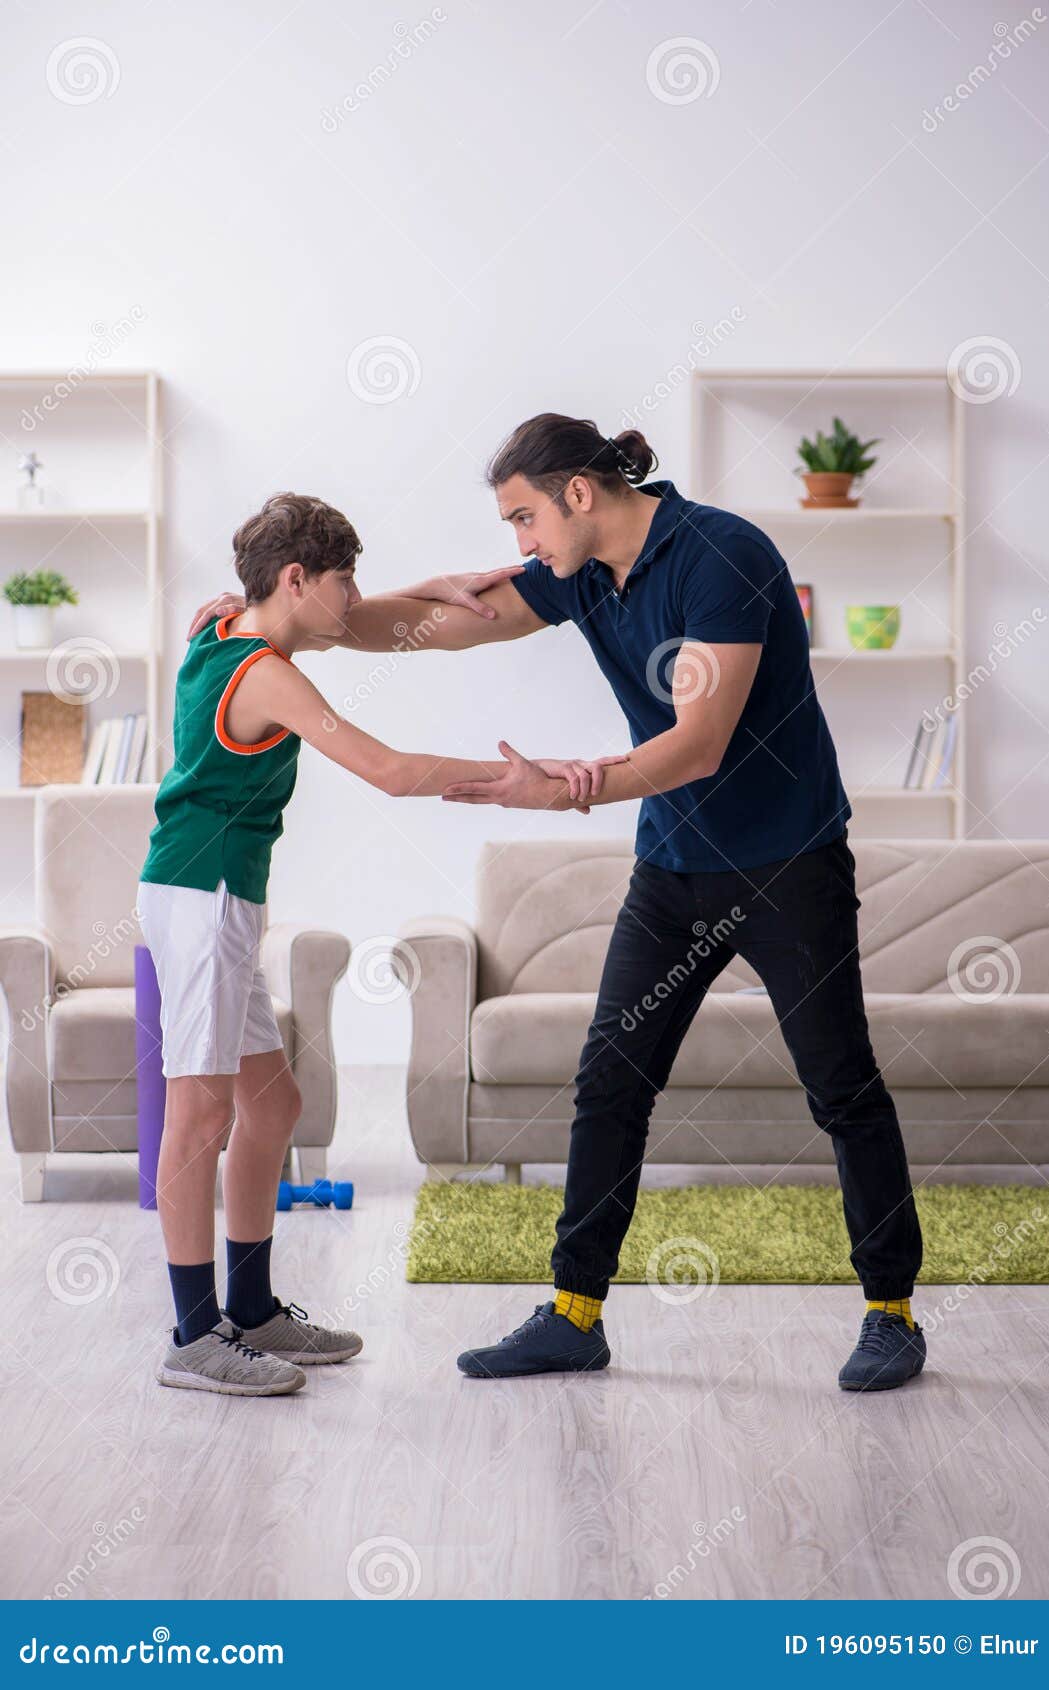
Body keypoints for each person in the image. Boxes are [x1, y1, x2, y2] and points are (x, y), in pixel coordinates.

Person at [190, 419, 927, 1394]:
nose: (520, 542)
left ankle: (891, 1313)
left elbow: (699, 742)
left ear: (580, 493)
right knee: (610, 1082)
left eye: (523, 517)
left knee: (841, 1085)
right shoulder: (582, 575)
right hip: (674, 866)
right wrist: (263, 619)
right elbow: (430, 628)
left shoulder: (723, 557)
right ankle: (575, 1315)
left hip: (787, 861)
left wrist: (564, 790)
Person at [142, 490, 610, 1398]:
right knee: (200, 1114)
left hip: (219, 896)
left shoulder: (230, 627)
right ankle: (193, 1336)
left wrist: (433, 586)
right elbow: (389, 771)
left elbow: (347, 624)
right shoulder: (263, 671)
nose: (354, 598)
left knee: (271, 1103)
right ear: (296, 579)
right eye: (345, 579)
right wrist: (528, 776)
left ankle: (252, 1309)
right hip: (200, 897)